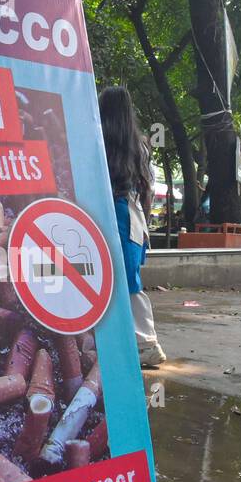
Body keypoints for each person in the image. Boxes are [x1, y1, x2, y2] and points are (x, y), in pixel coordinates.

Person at [99, 86, 166, 367]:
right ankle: (135, 341)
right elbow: (148, 191)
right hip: (132, 218)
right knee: (128, 280)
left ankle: (147, 343)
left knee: (116, 281)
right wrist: (145, 226)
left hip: (106, 215)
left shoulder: (96, 140)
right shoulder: (140, 146)